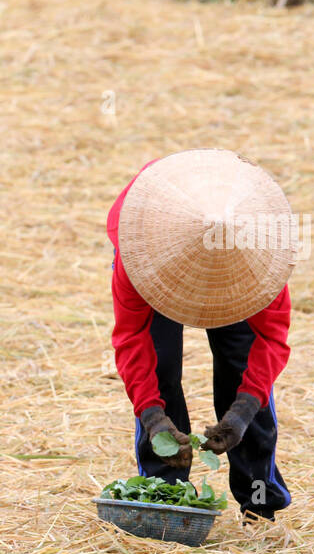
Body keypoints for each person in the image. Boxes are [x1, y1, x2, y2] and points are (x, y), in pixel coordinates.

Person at [108, 149, 300, 522]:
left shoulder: (262, 256)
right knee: (160, 366)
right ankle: (167, 496)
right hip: (159, 256)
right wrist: (152, 417)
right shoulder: (139, 256)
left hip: (238, 260)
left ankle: (259, 503)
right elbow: (134, 341)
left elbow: (270, 341)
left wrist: (242, 413)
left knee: (241, 368)